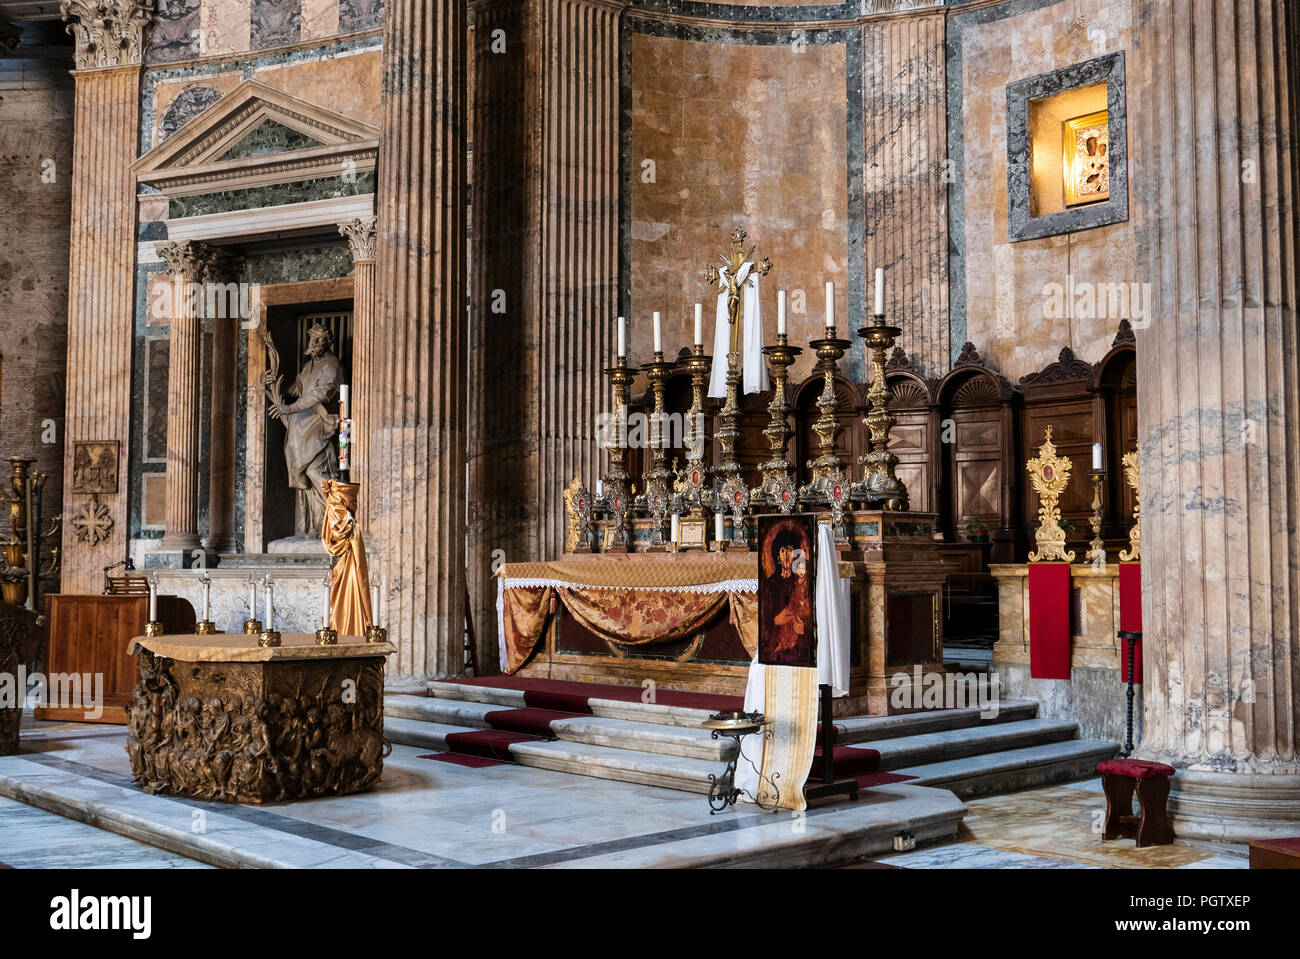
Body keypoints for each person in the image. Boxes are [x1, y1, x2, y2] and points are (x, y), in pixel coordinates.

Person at [264, 324, 342, 535]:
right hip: (301, 424)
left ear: (329, 343)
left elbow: (319, 395)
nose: (314, 344)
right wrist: (272, 382)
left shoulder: (332, 366)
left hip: (320, 421)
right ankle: (314, 525)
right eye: (312, 340)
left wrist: (289, 408)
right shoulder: (309, 367)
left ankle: (337, 518)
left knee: (315, 470)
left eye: (319, 340)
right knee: (304, 476)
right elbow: (294, 389)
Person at [766, 527, 810, 663]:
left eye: (790, 550)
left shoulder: (801, 582)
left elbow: (809, 612)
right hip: (776, 643)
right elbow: (764, 614)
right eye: (783, 551)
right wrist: (775, 620)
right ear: (777, 555)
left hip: (798, 644)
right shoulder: (770, 584)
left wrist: (804, 628)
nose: (786, 556)